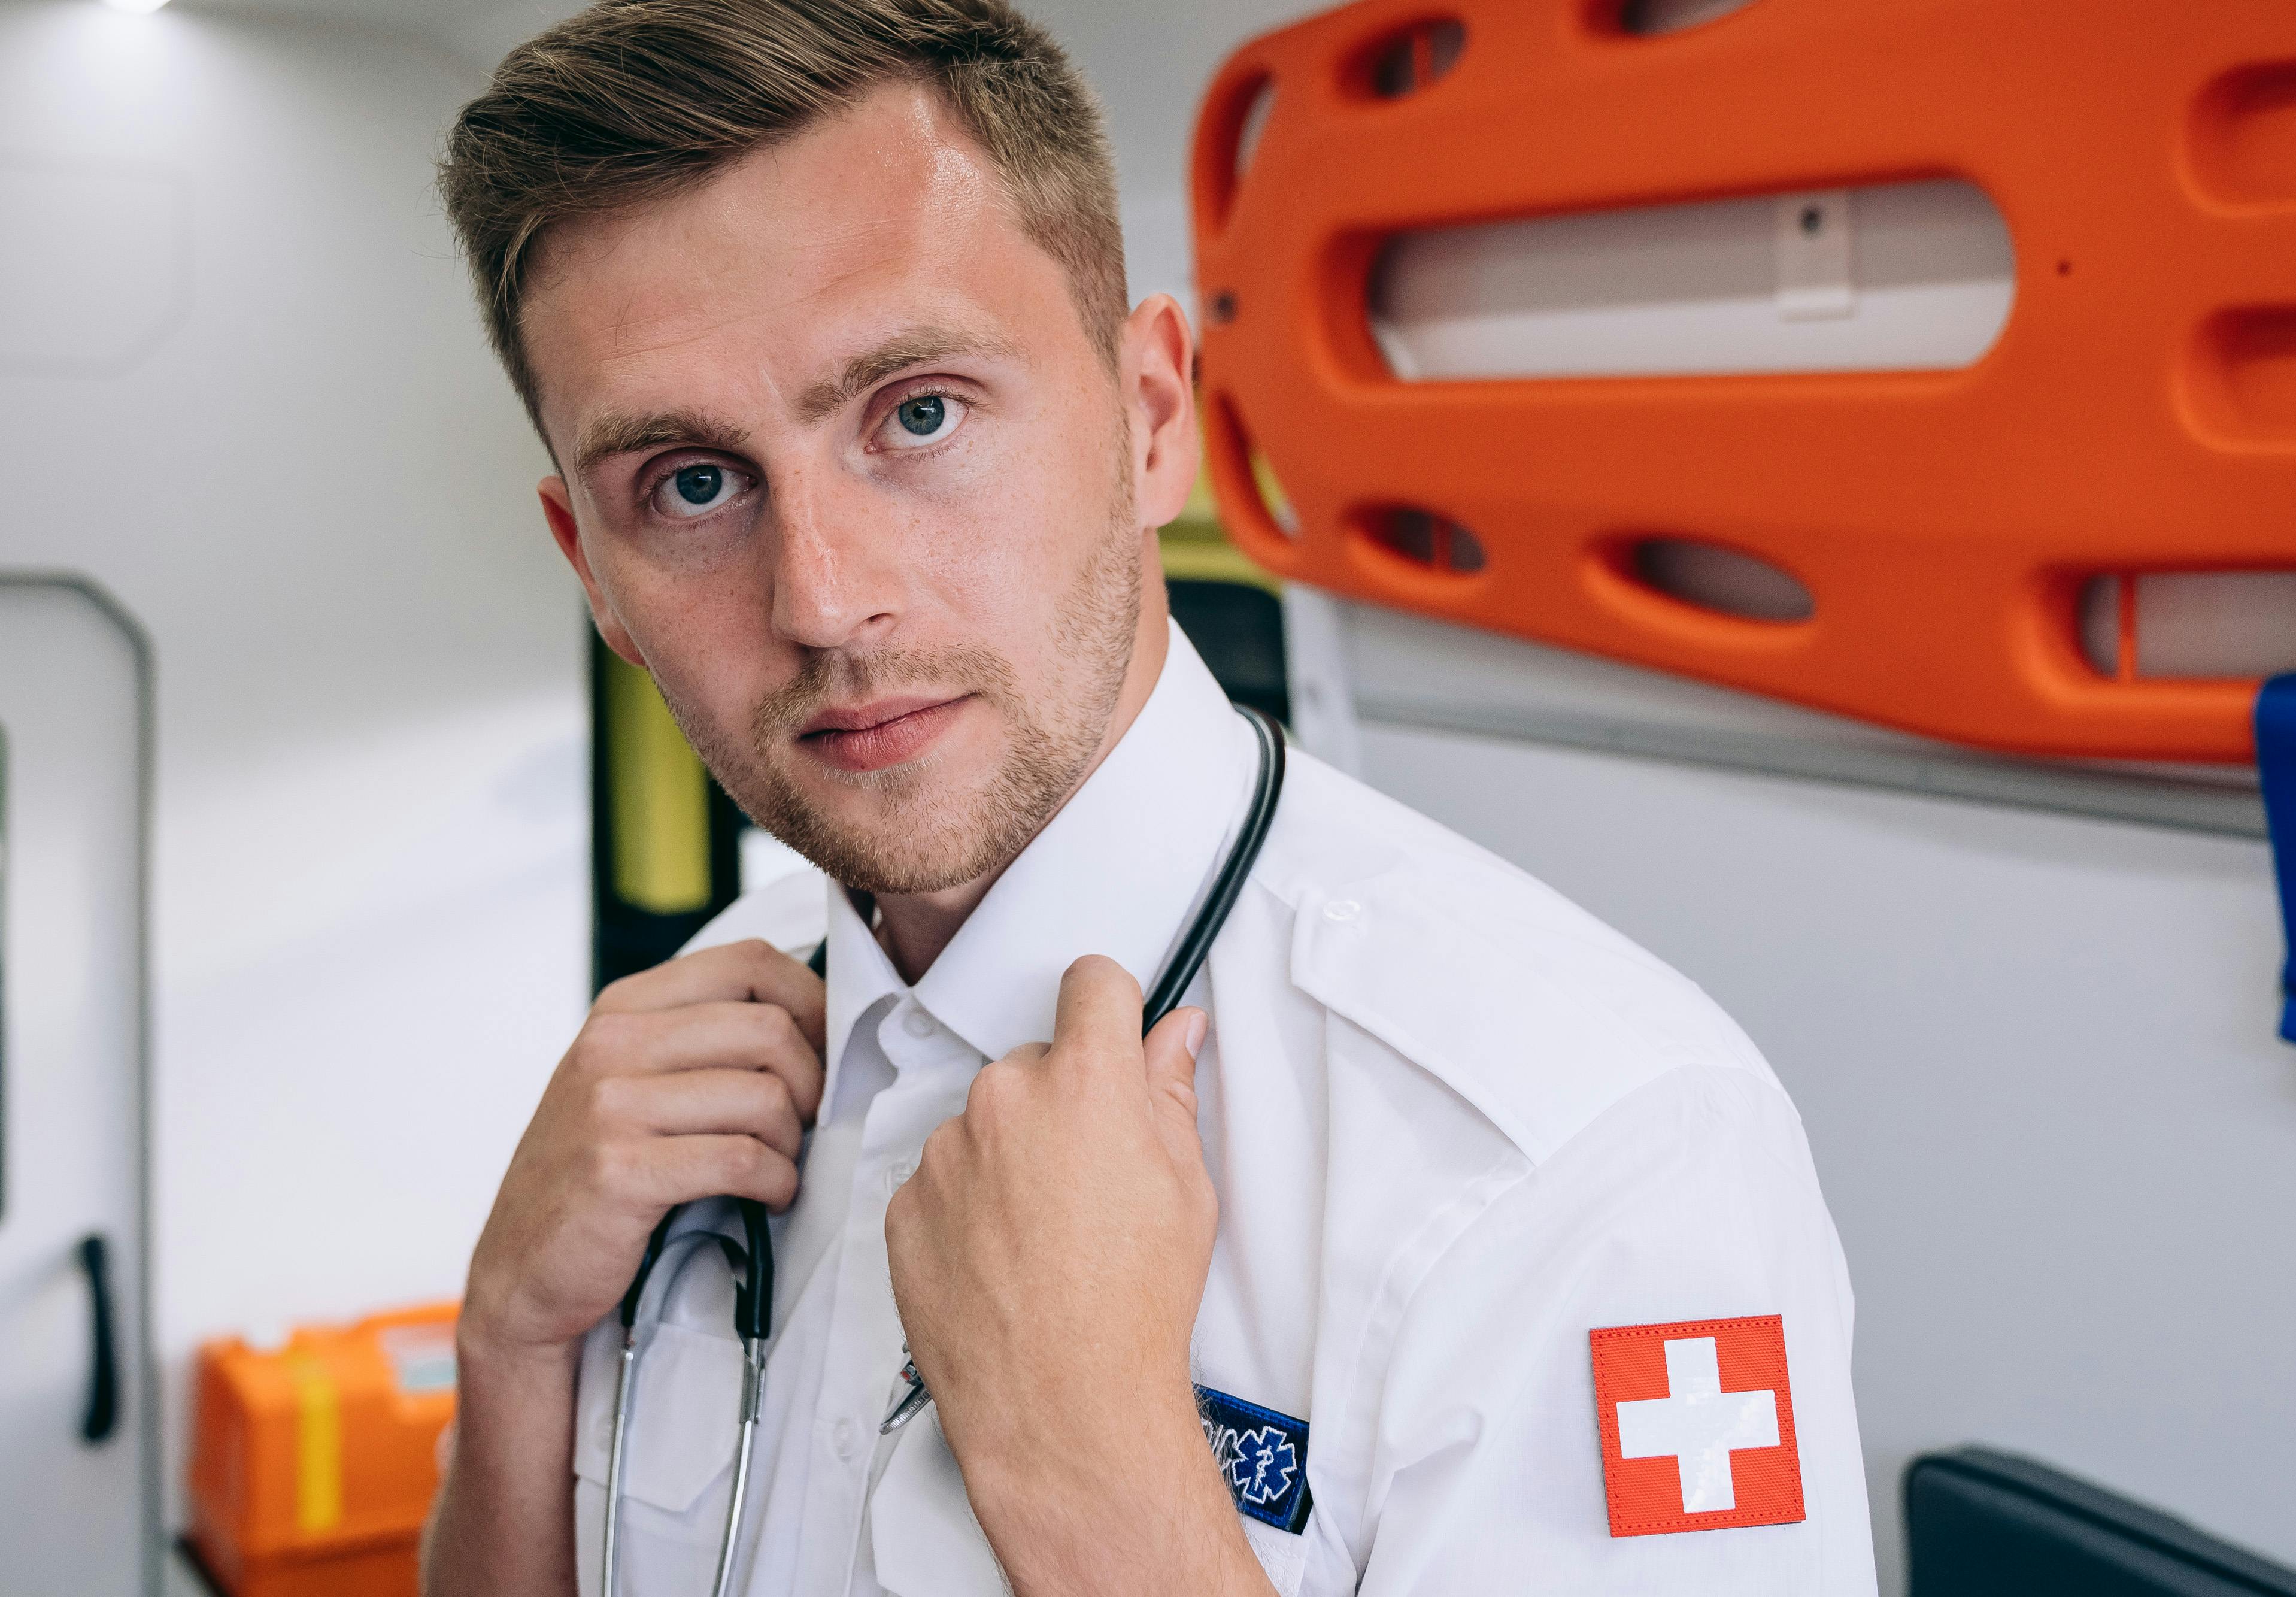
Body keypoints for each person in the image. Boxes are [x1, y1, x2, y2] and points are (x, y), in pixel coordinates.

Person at [423, 2, 1875, 1592]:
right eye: (691, 485)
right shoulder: (706, 1027)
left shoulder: (1591, 1147)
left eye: (919, 414)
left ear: (1154, 418)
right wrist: (508, 1343)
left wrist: (1100, 1485)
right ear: (598, 577)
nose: (826, 601)